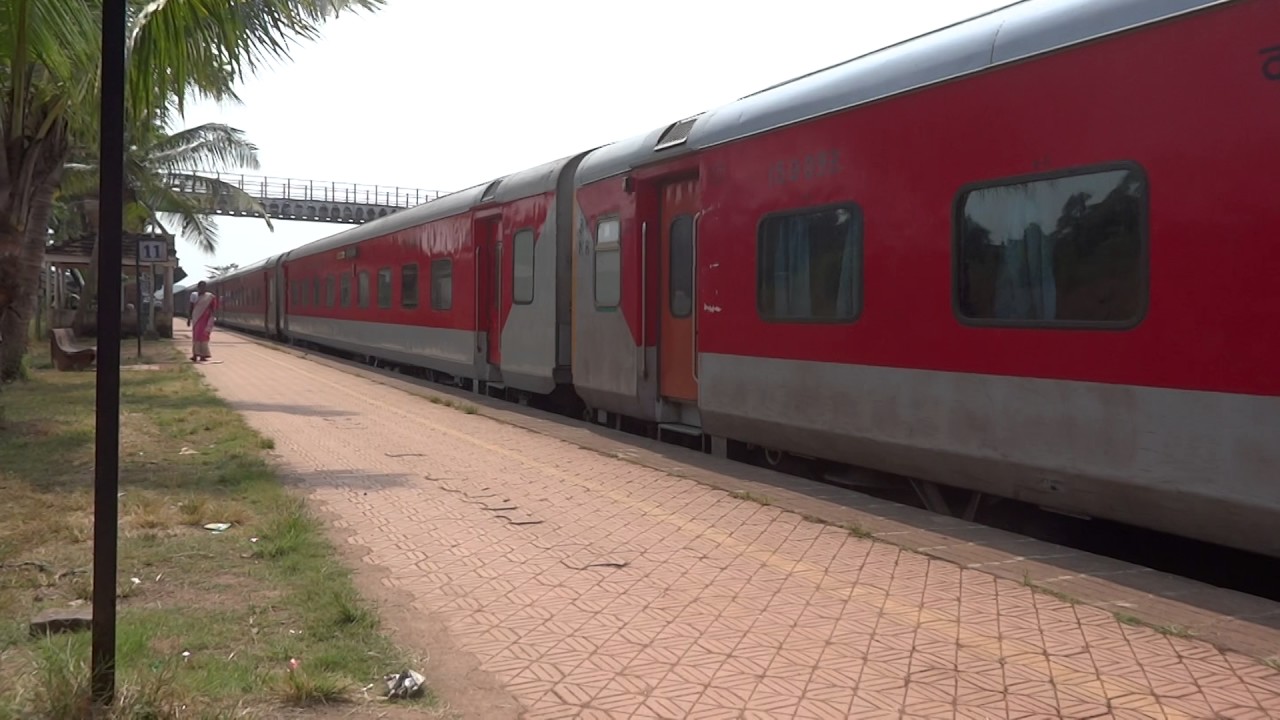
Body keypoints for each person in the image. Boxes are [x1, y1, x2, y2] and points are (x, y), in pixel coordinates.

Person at [189, 281, 218, 362]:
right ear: (198, 287)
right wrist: (189, 318)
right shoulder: (194, 296)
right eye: (200, 287)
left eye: (203, 287)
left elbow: (213, 308)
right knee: (196, 337)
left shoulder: (210, 296)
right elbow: (191, 307)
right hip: (196, 318)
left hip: (206, 319)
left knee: (204, 336)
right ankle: (195, 355)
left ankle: (203, 355)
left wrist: (212, 319)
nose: (202, 288)